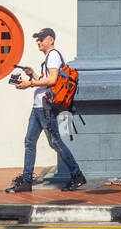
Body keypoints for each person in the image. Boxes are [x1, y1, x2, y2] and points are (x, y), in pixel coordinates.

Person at [5, 28, 86, 193]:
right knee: (29, 142)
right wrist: (33, 74)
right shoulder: (48, 59)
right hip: (38, 107)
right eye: (37, 39)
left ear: (51, 40)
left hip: (46, 108)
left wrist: (30, 84)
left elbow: (53, 80)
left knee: (55, 142)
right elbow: (46, 81)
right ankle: (26, 181)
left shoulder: (53, 55)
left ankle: (77, 176)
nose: (39, 42)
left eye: (41, 39)